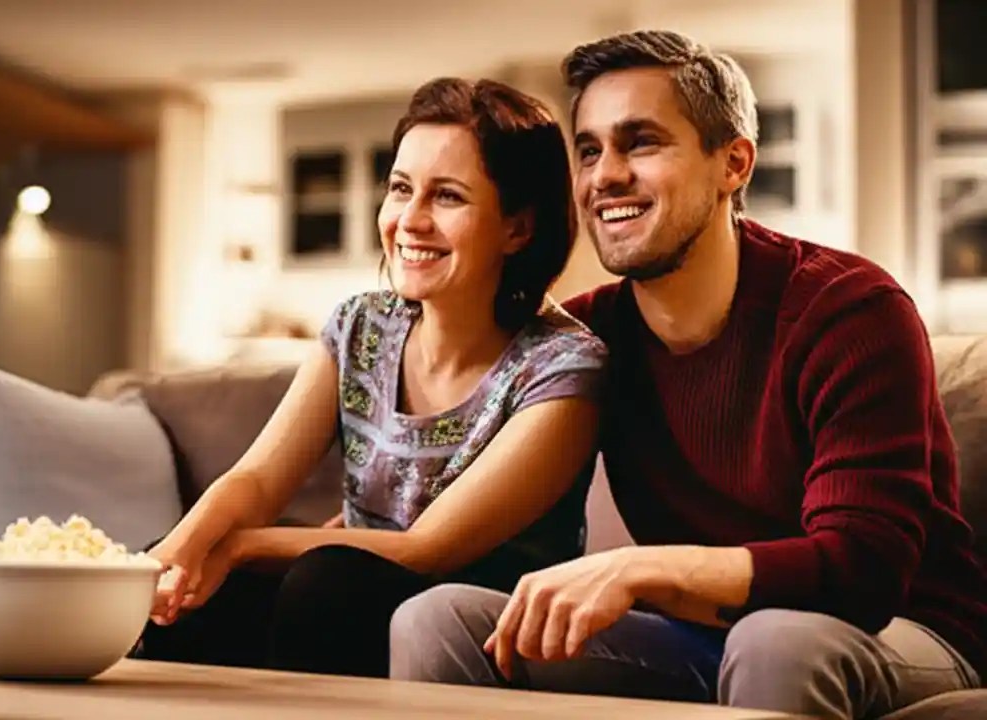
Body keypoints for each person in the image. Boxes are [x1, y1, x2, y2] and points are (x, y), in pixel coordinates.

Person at [389, 29, 986, 719]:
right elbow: (436, 498)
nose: (604, 175)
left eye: (640, 142)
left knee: (776, 641)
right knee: (439, 620)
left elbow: (863, 571)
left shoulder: (849, 311)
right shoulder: (581, 342)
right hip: (703, 636)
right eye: (589, 150)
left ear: (733, 163)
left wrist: (640, 570)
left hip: (904, 632)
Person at [137, 76, 608, 679]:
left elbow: (428, 549)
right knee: (189, 592)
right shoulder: (361, 327)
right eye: (401, 189)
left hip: (474, 616)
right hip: (346, 585)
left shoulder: (564, 366)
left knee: (322, 582)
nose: (410, 220)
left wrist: (241, 545)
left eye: (448, 197)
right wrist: (180, 549)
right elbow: (257, 478)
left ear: (517, 227)